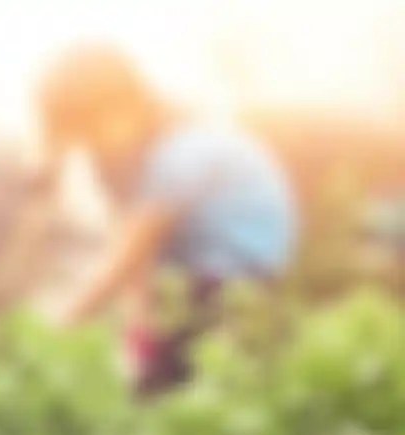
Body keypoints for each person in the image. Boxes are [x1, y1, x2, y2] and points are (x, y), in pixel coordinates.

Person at [41, 46, 297, 393]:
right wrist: (140, 334)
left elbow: (129, 255)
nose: (90, 142)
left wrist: (61, 324)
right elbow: (136, 264)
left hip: (237, 275)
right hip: (186, 276)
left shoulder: (184, 149)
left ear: (127, 105)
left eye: (92, 126)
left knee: (196, 375)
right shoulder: (119, 161)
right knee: (153, 375)